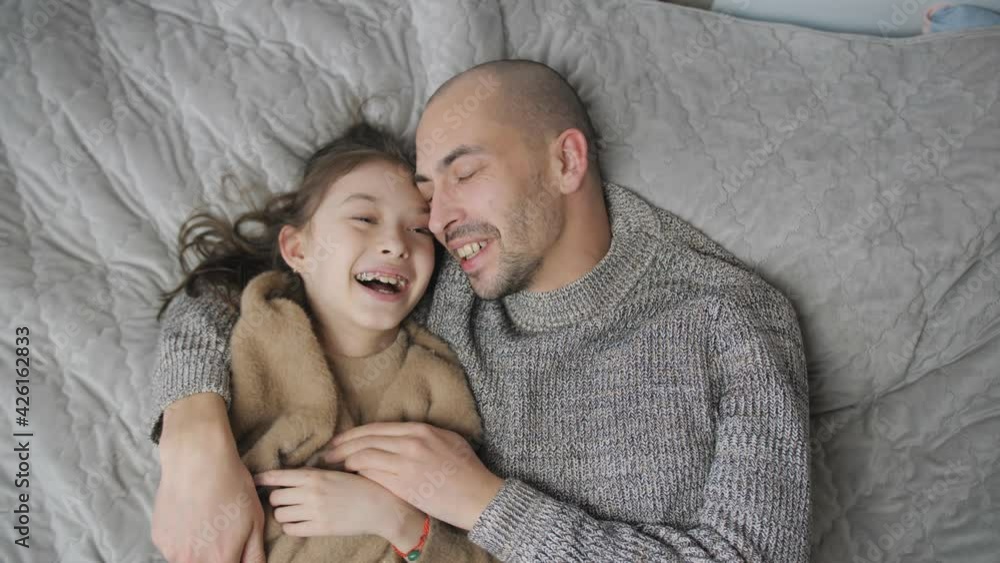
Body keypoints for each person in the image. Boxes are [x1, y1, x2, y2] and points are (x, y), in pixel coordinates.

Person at [150, 59, 811, 562]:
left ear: (566, 160)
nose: (435, 222)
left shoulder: (727, 317)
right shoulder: (445, 282)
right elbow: (224, 294)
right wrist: (195, 436)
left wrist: (484, 501)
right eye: (429, 195)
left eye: (463, 175)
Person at [152, 123, 495, 562]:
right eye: (364, 218)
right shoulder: (248, 339)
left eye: (419, 230)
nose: (394, 243)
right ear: (297, 249)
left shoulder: (437, 386)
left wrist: (392, 518)